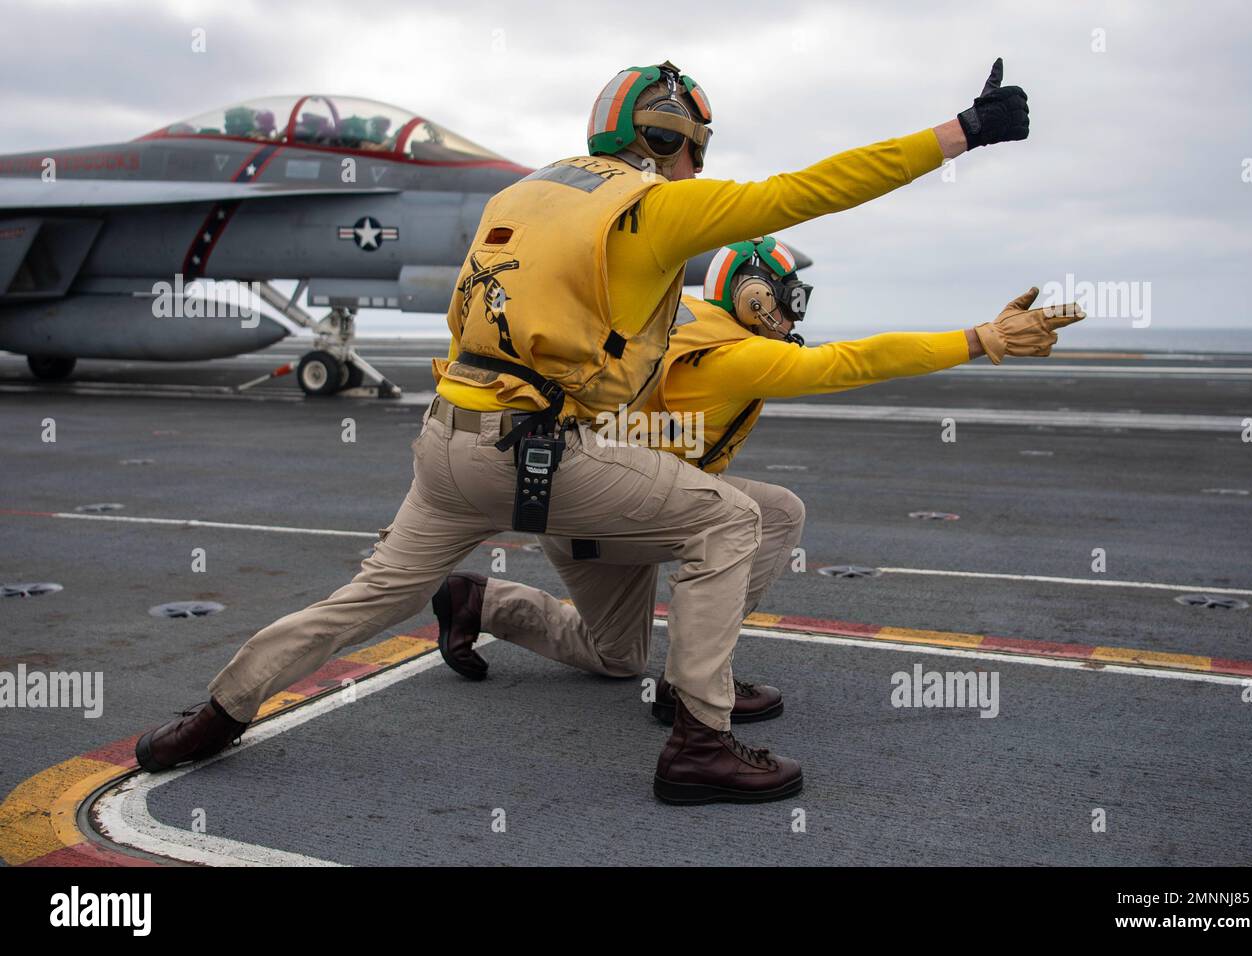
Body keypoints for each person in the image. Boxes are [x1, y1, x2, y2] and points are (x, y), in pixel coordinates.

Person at [136, 58, 1034, 805]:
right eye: (693, 148)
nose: (695, 166)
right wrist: (964, 130)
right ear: (668, 139)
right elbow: (815, 190)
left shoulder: (523, 193)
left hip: (449, 443)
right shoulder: (653, 207)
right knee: (733, 520)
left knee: (365, 601)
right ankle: (698, 742)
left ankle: (216, 714)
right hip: (542, 456)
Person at [436, 239, 1084, 766]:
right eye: (786, 296)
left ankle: (481, 601)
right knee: (770, 513)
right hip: (622, 510)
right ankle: (695, 685)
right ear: (751, 293)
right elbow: (855, 361)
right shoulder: (730, 356)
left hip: (587, 514)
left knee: (616, 657)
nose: (793, 312)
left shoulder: (678, 318)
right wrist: (981, 338)